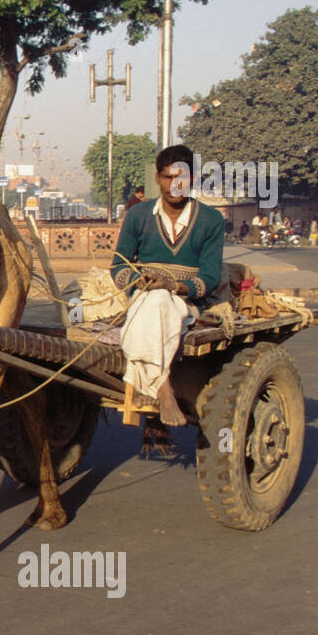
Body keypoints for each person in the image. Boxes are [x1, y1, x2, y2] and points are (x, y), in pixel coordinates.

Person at [111, 144, 224, 427]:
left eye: (182, 178)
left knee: (161, 298)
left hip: (187, 304)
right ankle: (163, 386)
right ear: (158, 178)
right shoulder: (138, 215)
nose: (174, 185)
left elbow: (211, 277)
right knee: (155, 299)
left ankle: (161, 389)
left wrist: (173, 285)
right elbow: (118, 265)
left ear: (193, 179)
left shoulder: (212, 220)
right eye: (167, 177)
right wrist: (139, 281)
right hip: (143, 296)